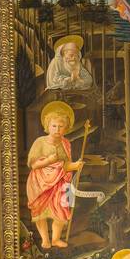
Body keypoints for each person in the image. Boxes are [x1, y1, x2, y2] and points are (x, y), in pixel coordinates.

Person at [26, 103, 83, 250]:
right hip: (41, 182)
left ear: (66, 127)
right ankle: (45, 239)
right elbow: (32, 165)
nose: (57, 129)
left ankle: (56, 239)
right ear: (47, 125)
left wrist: (75, 166)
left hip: (60, 182)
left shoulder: (66, 143)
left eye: (61, 126)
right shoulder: (40, 142)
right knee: (41, 212)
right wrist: (48, 161)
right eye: (54, 126)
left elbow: (66, 164)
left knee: (62, 210)